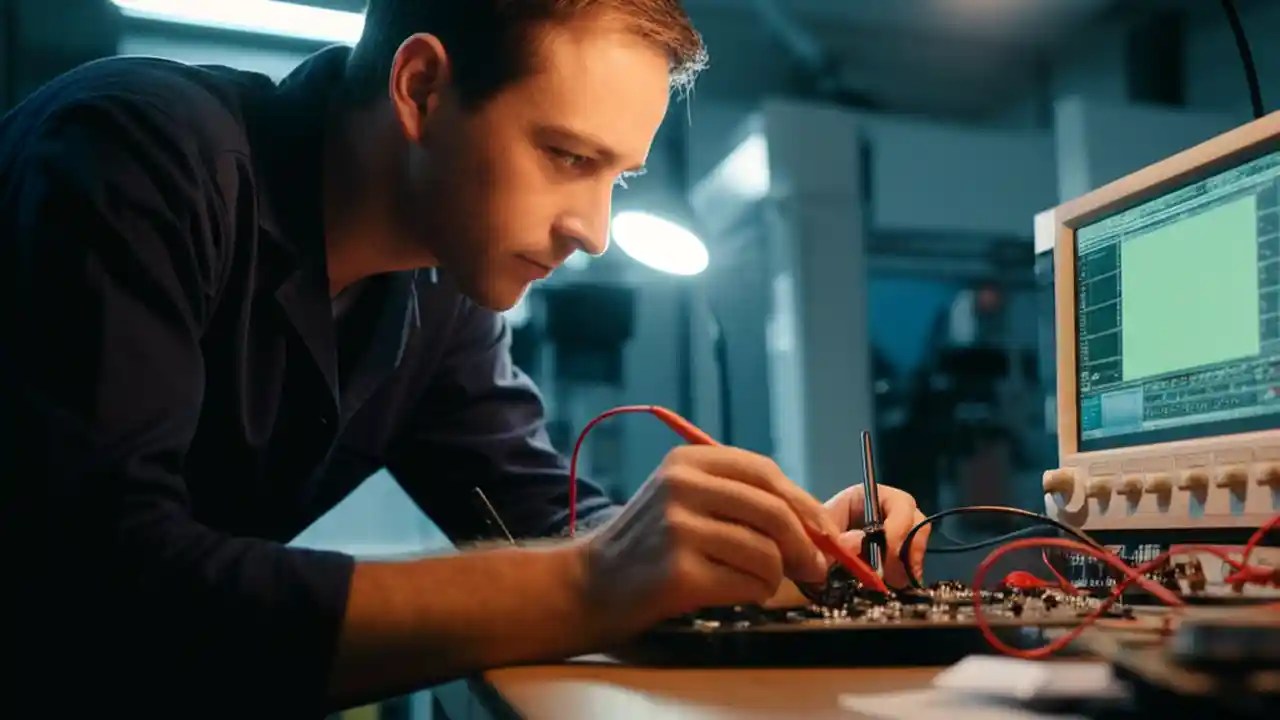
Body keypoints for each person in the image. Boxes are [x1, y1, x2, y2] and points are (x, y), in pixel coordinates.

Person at [0, 0, 931, 715]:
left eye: (620, 176)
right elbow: (107, 599)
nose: (597, 233)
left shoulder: (436, 296)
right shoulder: (135, 157)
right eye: (567, 156)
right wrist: (599, 580)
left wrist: (786, 553)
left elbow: (558, 522)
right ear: (420, 89)